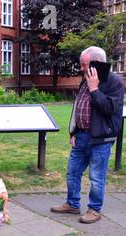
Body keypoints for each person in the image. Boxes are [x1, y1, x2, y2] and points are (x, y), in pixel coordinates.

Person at [51, 46, 124, 224]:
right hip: (81, 136)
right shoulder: (87, 78)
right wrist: (73, 131)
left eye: (84, 65)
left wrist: (94, 89)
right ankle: (73, 203)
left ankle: (94, 209)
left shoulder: (114, 81)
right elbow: (79, 106)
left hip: (100, 139)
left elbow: (110, 108)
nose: (81, 68)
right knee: (72, 172)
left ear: (96, 62)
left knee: (96, 177)